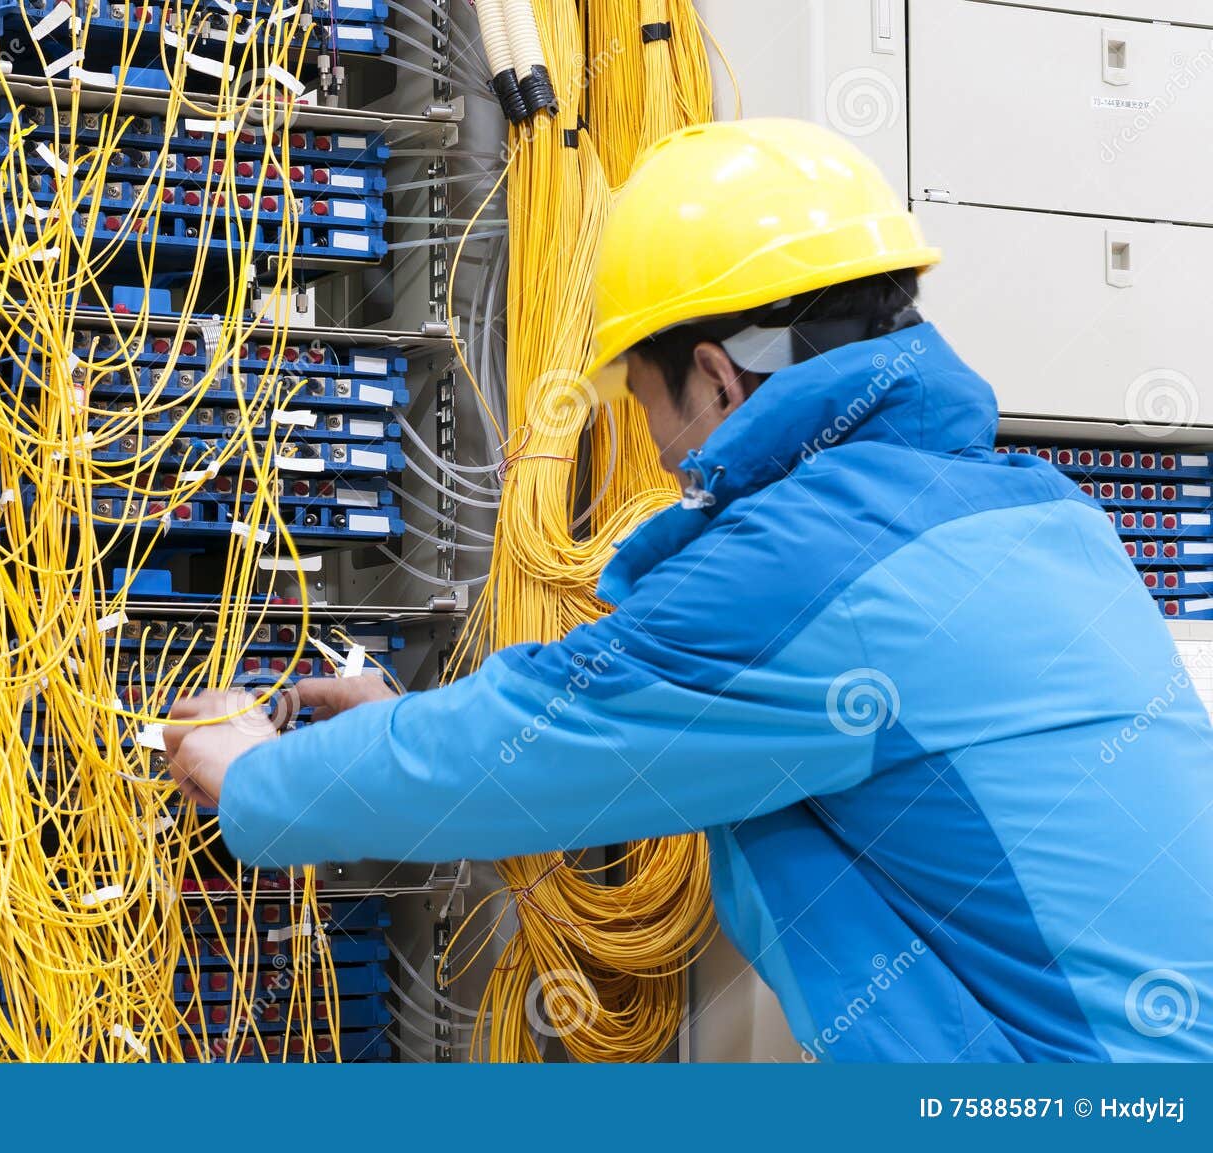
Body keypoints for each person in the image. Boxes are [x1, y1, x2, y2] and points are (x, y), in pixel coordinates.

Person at [163, 119, 1213, 1061]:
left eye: (647, 405)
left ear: (715, 373)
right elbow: (601, 731)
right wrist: (421, 730)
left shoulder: (804, 561)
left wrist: (260, 777)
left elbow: (537, 737)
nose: (665, 460)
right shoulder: (1035, 508)